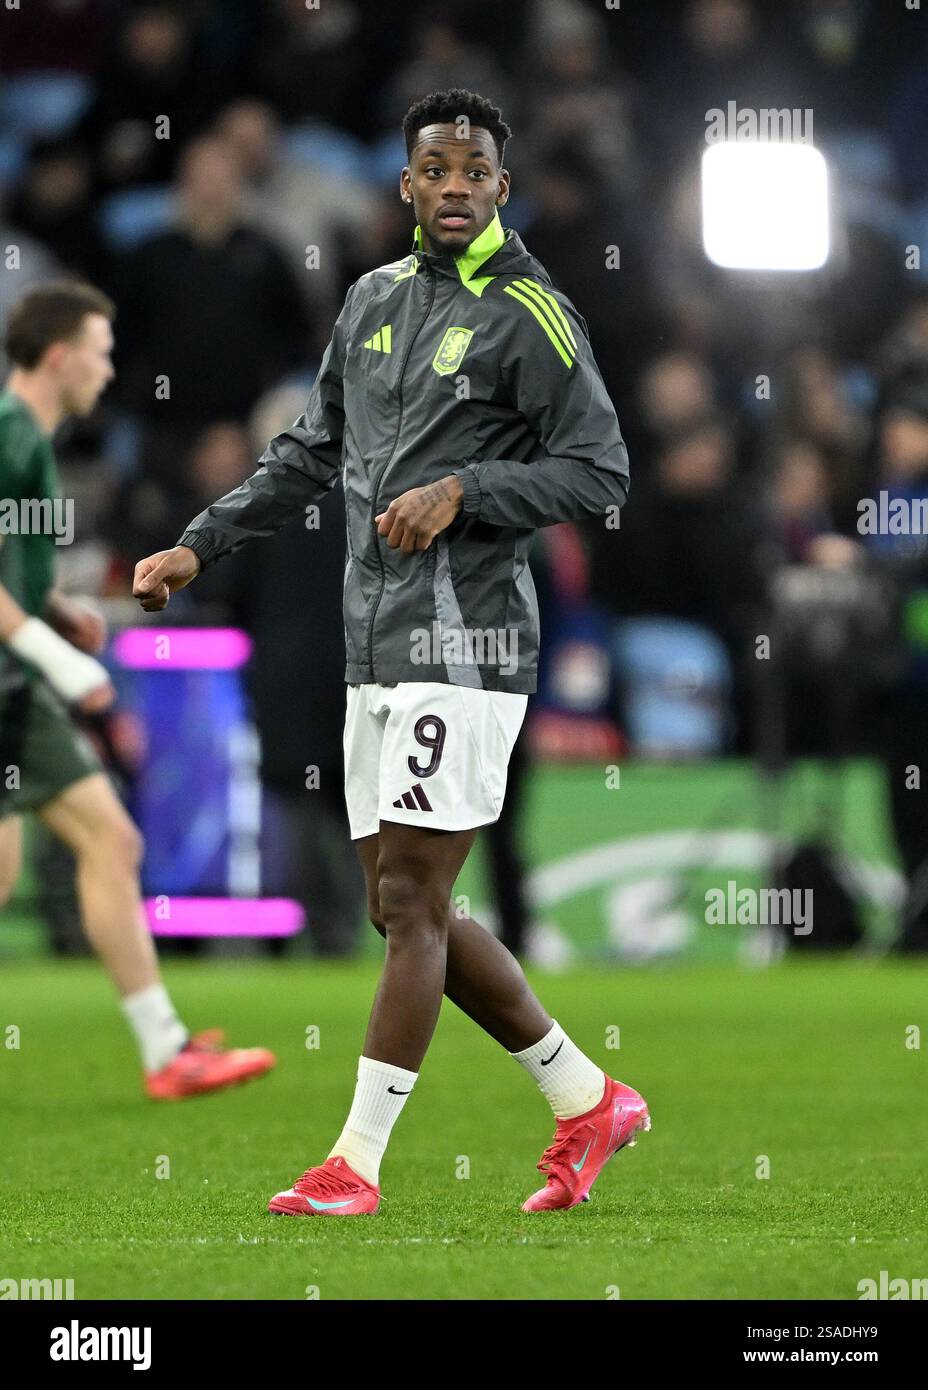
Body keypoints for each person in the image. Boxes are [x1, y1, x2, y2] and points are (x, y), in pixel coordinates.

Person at [133, 89, 650, 1215]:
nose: (456, 185)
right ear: (407, 185)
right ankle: (585, 1098)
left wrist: (467, 490)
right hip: (376, 641)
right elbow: (311, 449)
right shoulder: (368, 301)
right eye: (436, 168)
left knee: (413, 901)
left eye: (476, 170)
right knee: (406, 907)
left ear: (501, 189)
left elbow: (601, 470)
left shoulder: (532, 314)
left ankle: (354, 1164)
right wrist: (198, 544)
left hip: (467, 638)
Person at [0, 280, 275, 1099]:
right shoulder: (12, 436)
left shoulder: (32, 443)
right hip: (12, 680)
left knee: (110, 843)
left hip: (14, 685)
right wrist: (61, 660)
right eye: (101, 349)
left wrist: (55, 610)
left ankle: (167, 1051)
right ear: (59, 356)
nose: (110, 366)